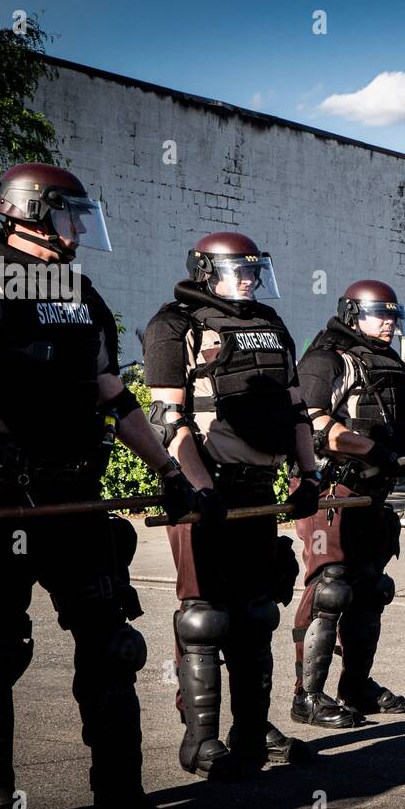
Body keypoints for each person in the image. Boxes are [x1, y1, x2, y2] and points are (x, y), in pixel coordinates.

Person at [0, 162, 203, 809]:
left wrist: (168, 471)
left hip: (77, 498)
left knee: (112, 647)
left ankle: (121, 799)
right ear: (33, 212)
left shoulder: (82, 293)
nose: (80, 231)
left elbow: (114, 394)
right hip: (5, 500)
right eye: (72, 217)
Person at [143, 232, 322, 780]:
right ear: (205, 271)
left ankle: (251, 729)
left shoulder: (270, 322)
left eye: (252, 269)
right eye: (235, 270)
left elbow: (296, 411)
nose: (247, 278)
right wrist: (199, 489)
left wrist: (308, 474)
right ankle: (200, 741)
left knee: (255, 614)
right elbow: (165, 418)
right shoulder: (174, 324)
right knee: (204, 617)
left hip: (259, 490)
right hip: (207, 487)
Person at [288, 280, 405, 726]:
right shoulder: (325, 358)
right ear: (354, 314)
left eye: (394, 315)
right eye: (381, 314)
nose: (390, 322)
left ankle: (356, 687)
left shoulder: (388, 364)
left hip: (372, 497)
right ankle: (307, 697)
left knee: (371, 590)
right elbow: (314, 426)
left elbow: (388, 431)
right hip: (332, 492)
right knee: (330, 590)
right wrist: (371, 451)